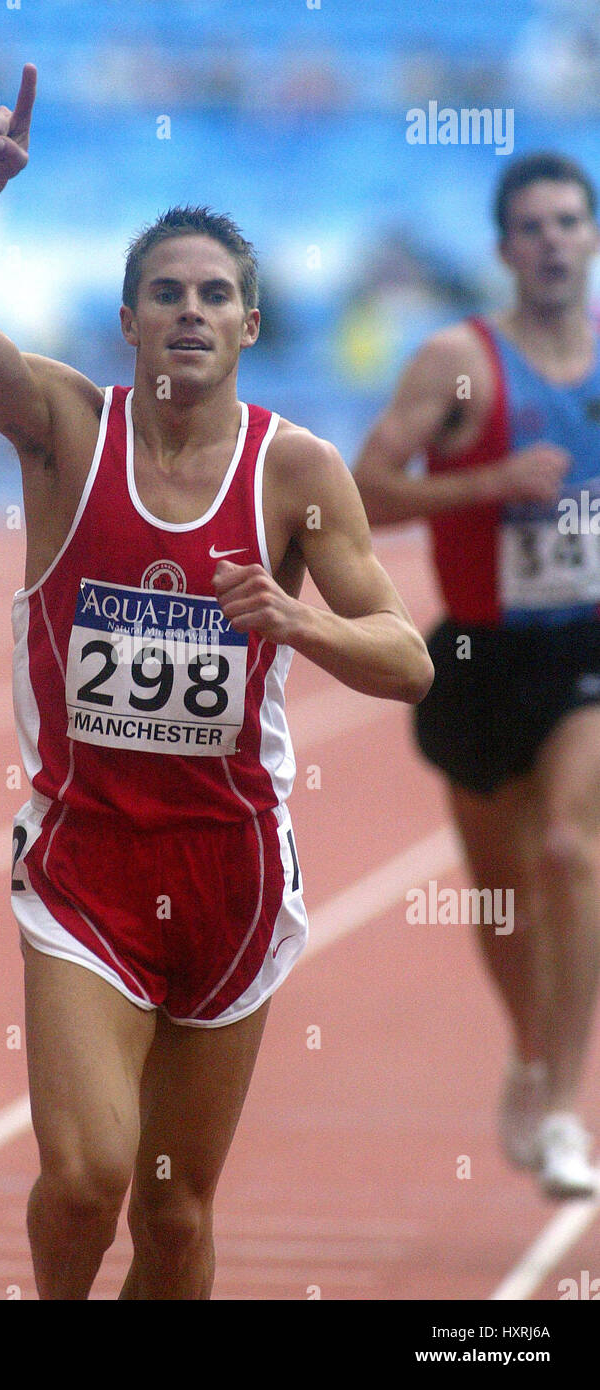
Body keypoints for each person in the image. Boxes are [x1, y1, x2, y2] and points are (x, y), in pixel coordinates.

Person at [0, 64, 433, 1299]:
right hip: (86, 863)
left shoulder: (296, 473)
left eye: (216, 295)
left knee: (178, 1219)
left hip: (231, 869)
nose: (190, 311)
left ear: (249, 325)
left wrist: (295, 620)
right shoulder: (60, 427)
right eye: (165, 293)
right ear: (127, 321)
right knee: (86, 1179)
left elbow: (406, 657)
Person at [353, 151, 600, 1200]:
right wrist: (489, 480)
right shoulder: (456, 362)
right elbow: (362, 489)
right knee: (502, 902)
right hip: (476, 655)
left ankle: (557, 1107)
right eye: (530, 227)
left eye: (567, 222)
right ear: (503, 250)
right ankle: (528, 1052)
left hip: (585, 647)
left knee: (568, 847)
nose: (549, 240)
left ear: (589, 239)